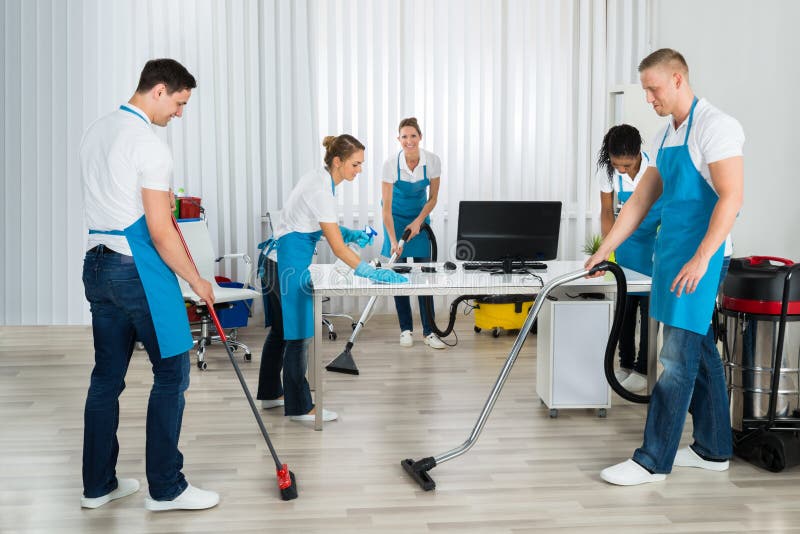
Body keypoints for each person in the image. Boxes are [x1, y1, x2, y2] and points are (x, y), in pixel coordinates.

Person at [586, 48, 744, 485]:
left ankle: (652, 460)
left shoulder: (716, 127)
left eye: (653, 89)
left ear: (677, 79)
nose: (649, 98)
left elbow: (731, 197)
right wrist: (605, 249)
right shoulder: (663, 137)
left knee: (675, 359)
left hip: (702, 257)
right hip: (671, 254)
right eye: (646, 91)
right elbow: (639, 201)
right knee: (701, 350)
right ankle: (713, 450)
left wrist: (701, 257)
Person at [80, 59, 219, 511]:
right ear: (159, 90)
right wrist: (198, 279)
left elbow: (118, 201)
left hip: (97, 266)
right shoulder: (150, 146)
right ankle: (166, 488)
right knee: (172, 373)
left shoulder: (97, 131)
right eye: (179, 103)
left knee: (106, 378)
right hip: (136, 270)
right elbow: (160, 231)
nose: (179, 114)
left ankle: (98, 486)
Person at [257, 135, 408, 422]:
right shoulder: (323, 192)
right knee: (299, 336)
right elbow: (337, 248)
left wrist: (347, 233)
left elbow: (316, 222)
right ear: (338, 161)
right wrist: (370, 271)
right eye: (356, 164)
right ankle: (300, 407)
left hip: (274, 263)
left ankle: (270, 393)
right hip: (288, 266)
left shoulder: (318, 178)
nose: (359, 170)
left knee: (280, 331)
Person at [597, 124, 662, 392]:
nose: (622, 169)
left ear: (638, 153)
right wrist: (607, 248)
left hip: (654, 248)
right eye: (617, 164)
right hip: (625, 247)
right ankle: (625, 365)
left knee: (649, 311)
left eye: (627, 164)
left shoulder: (655, 170)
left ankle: (643, 369)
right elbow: (606, 212)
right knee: (624, 309)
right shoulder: (608, 173)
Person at [381, 117, 445, 349]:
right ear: (398, 139)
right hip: (395, 219)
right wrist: (391, 240)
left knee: (424, 275)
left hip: (420, 216)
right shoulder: (390, 164)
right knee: (399, 276)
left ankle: (429, 332)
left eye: (413, 136)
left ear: (420, 137)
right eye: (404, 137)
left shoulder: (433, 161)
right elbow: (385, 209)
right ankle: (405, 329)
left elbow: (433, 198)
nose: (409, 141)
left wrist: (419, 221)